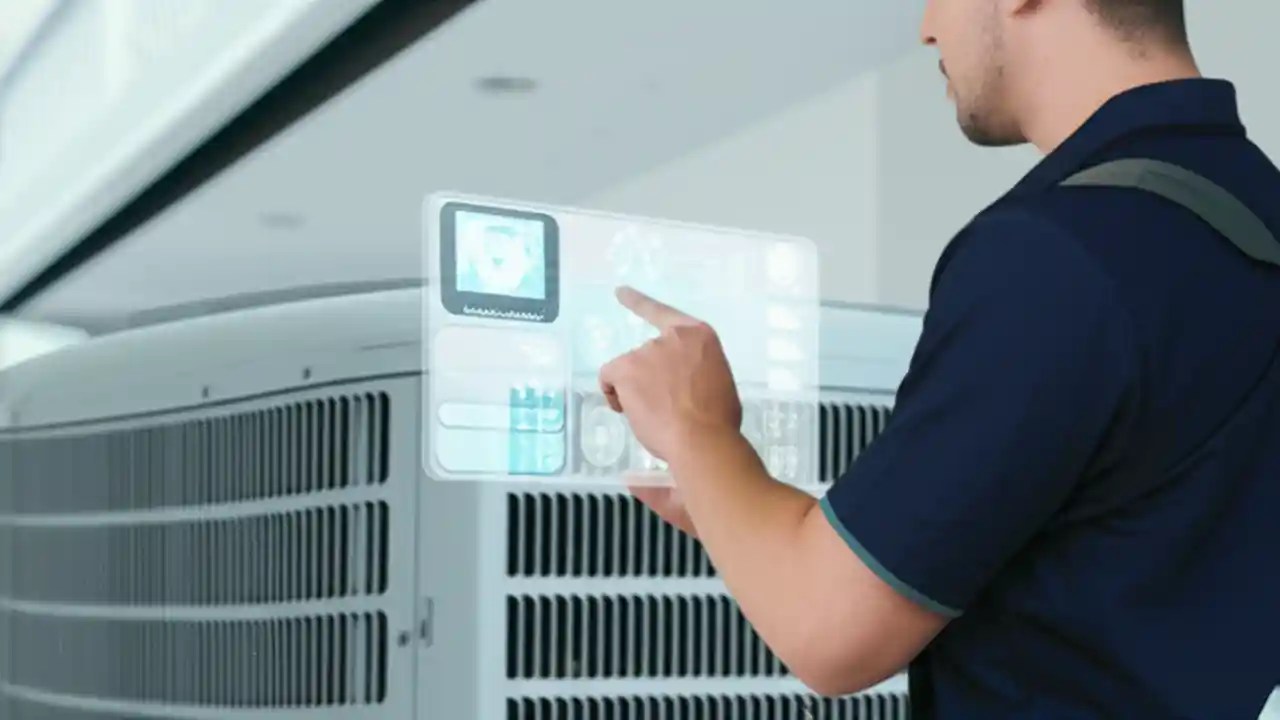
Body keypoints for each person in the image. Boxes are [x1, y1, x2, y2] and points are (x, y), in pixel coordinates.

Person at [598, 1, 1280, 717]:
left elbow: (827, 634)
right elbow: (1132, 541)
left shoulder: (1057, 256)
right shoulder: (1252, 215)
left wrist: (697, 429)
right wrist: (727, 500)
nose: (926, 26)